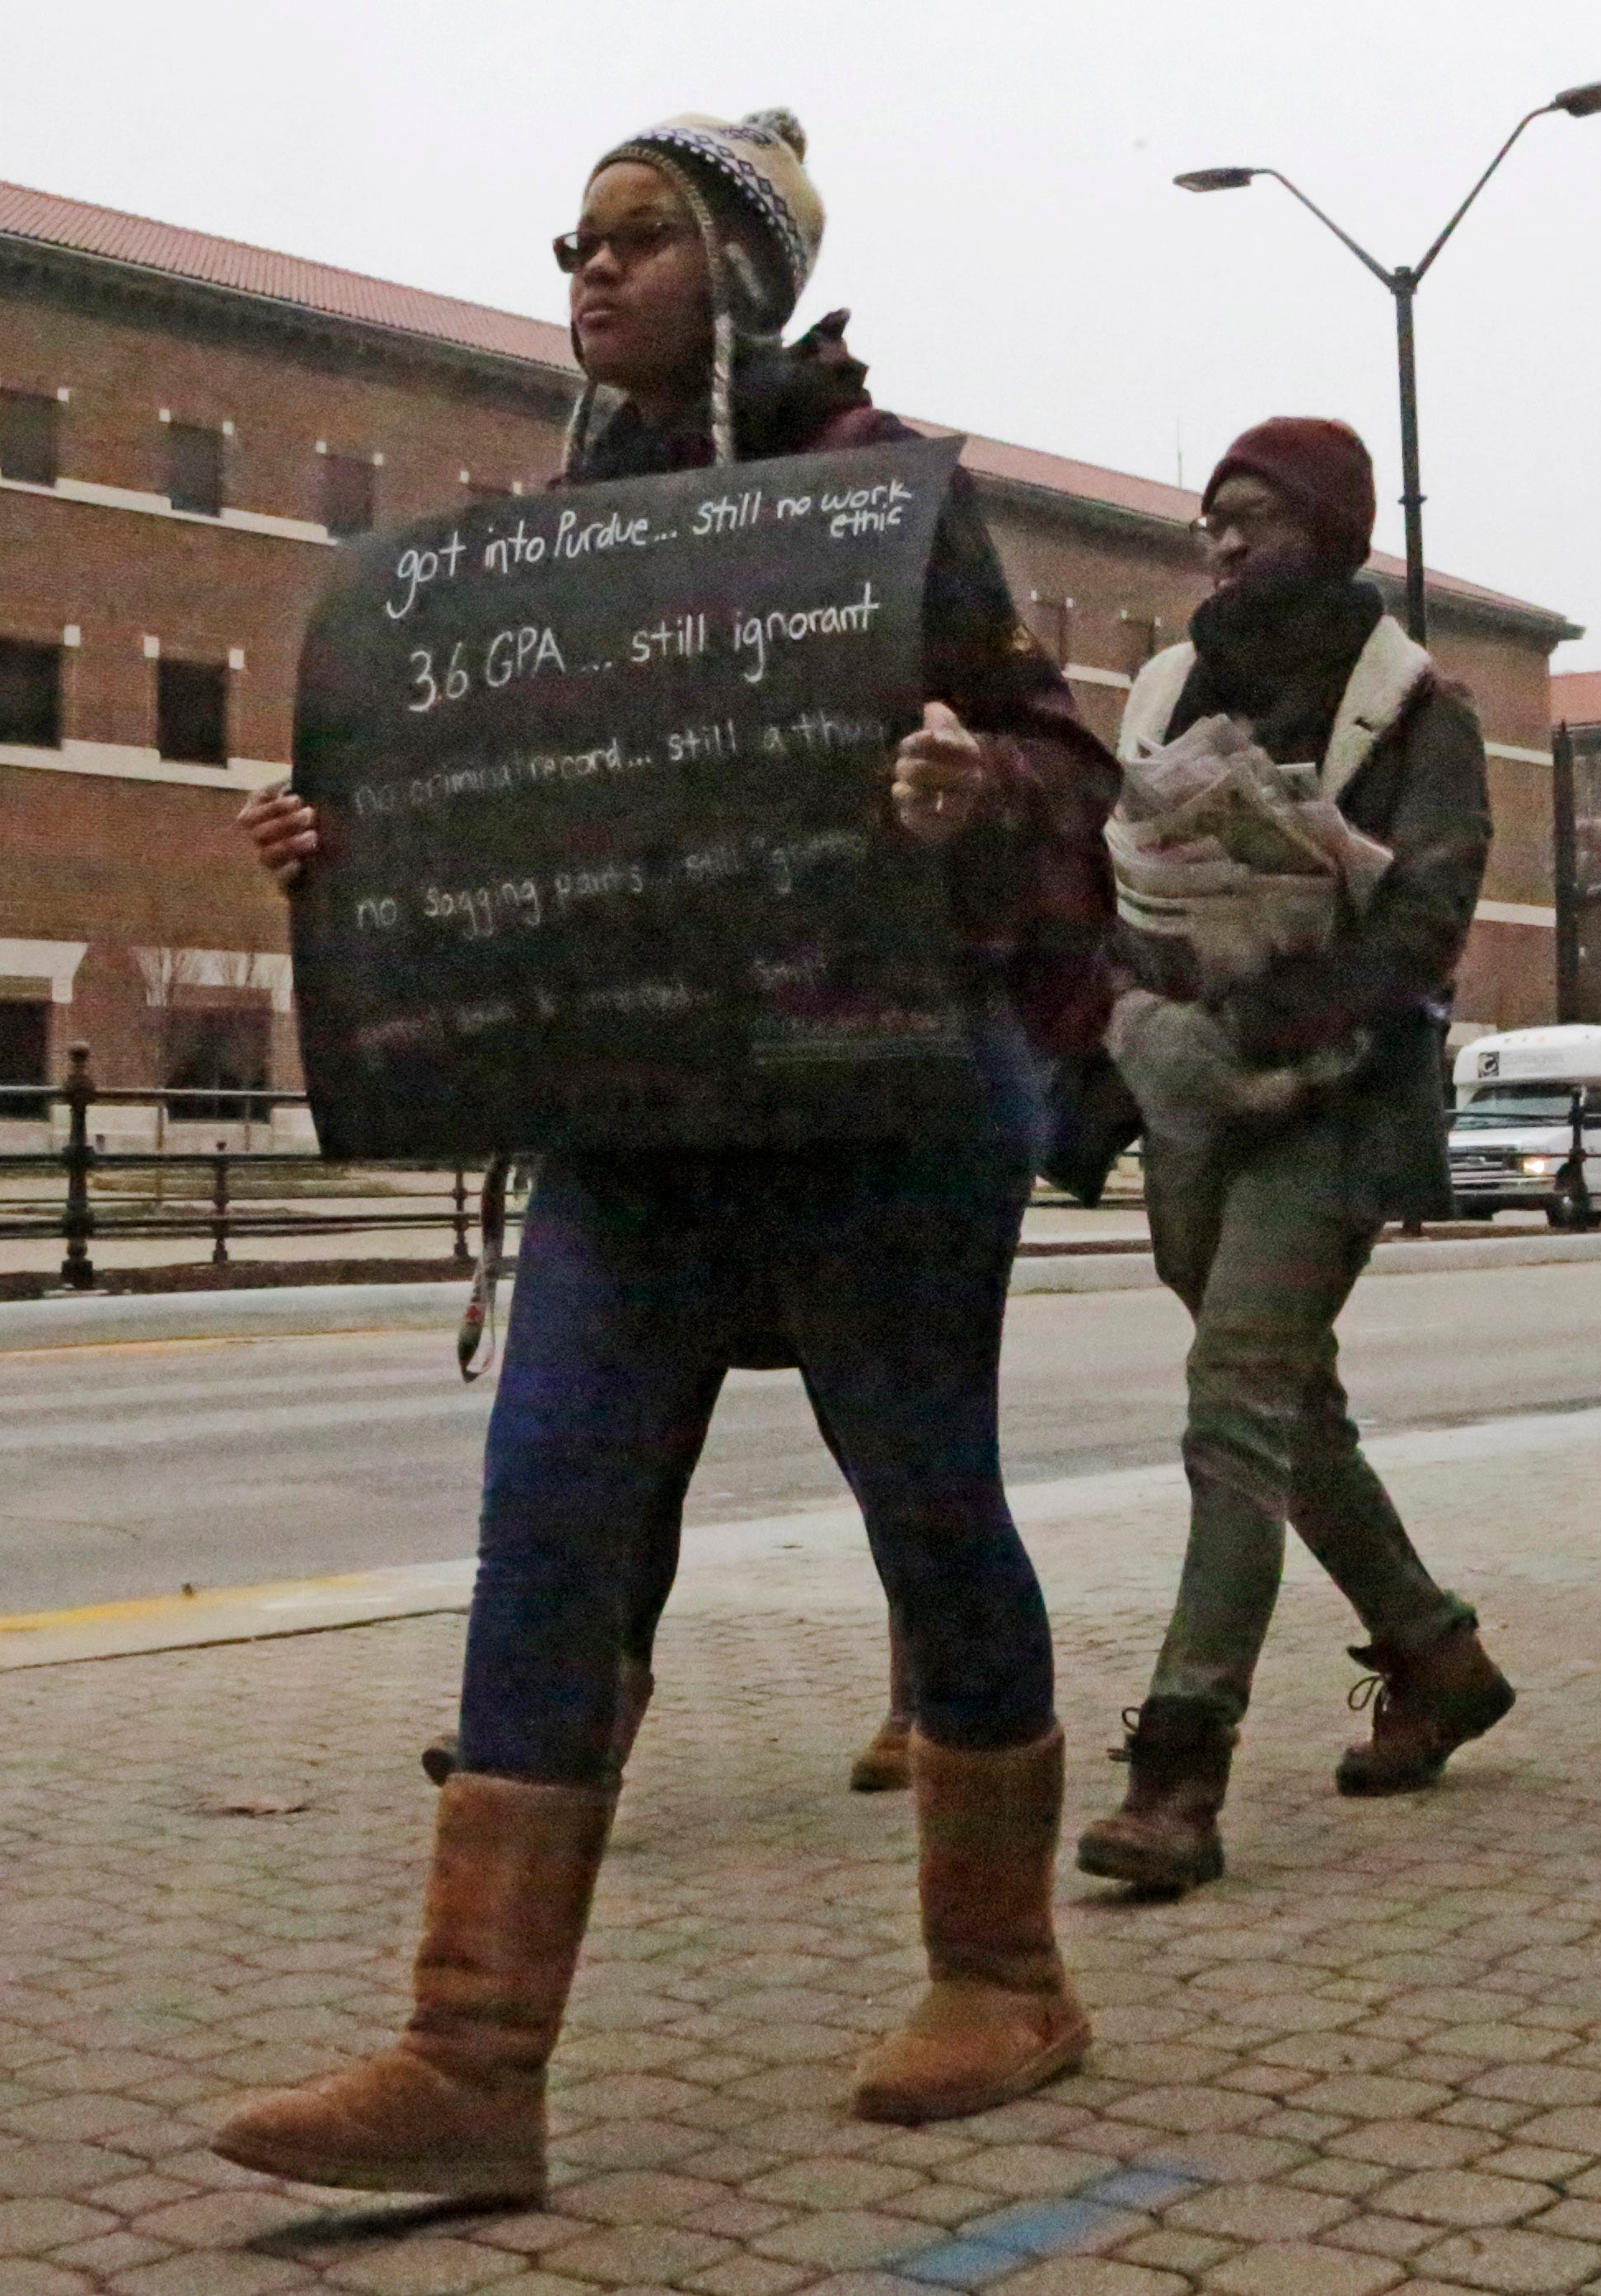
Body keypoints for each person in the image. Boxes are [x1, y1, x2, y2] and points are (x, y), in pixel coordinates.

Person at [211, 111, 1114, 2199]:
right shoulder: (536, 553)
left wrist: (972, 775)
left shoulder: (879, 508)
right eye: (575, 243)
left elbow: (1068, 756)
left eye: (636, 242)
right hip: (642, 1115)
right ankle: (471, 2059)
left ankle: (1006, 1973)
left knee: (930, 1508)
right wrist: (348, 861)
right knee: (551, 1516)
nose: (590, 274)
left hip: (877, 1101)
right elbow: (507, 828)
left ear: (742, 274)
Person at [1074, 418, 1511, 1900]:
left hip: (1334, 1098)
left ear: (1327, 527)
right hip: (1195, 1093)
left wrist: (1278, 1010)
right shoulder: (1171, 687)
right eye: (1212, 518)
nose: (1223, 541)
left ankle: (1178, 1772)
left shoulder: (1417, 711)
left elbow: (1424, 921)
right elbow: (1108, 877)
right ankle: (1436, 1655)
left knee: (1235, 1399)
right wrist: (1139, 1009)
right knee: (1284, 1408)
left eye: (1252, 514)